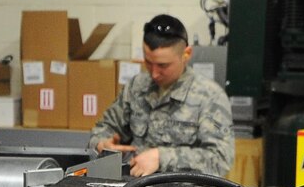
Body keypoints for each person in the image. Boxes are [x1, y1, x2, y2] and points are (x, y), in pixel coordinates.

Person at [88, 14, 234, 178]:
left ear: (186, 54)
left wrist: (162, 157)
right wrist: (102, 143)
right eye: (148, 62)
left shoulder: (209, 97)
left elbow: (220, 160)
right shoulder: (137, 86)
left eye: (163, 65)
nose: (155, 73)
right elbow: (104, 128)